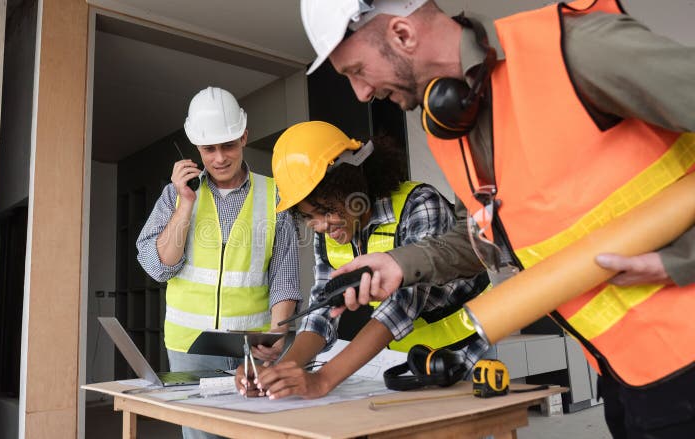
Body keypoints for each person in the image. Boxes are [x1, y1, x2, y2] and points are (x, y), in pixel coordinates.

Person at [298, 0, 695, 436]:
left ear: (402, 34)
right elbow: (482, 239)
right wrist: (397, 264)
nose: (361, 93)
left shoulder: (574, 51)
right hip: (623, 372)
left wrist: (685, 256)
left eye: (357, 70)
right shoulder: (452, 130)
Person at [235, 120, 488, 399]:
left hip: (474, 350)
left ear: (351, 184)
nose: (320, 225)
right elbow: (321, 313)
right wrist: (280, 373)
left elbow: (400, 307)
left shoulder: (420, 205)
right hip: (408, 362)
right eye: (308, 216)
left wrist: (322, 380)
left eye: (326, 209)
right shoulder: (329, 235)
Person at [136, 86, 301, 439]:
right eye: (209, 149)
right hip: (189, 349)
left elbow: (284, 279)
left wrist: (276, 336)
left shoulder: (275, 195)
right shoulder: (175, 195)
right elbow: (158, 266)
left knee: (258, 433)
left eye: (228, 145)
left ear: (244, 136)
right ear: (196, 148)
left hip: (254, 347)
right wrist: (185, 204)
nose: (220, 157)